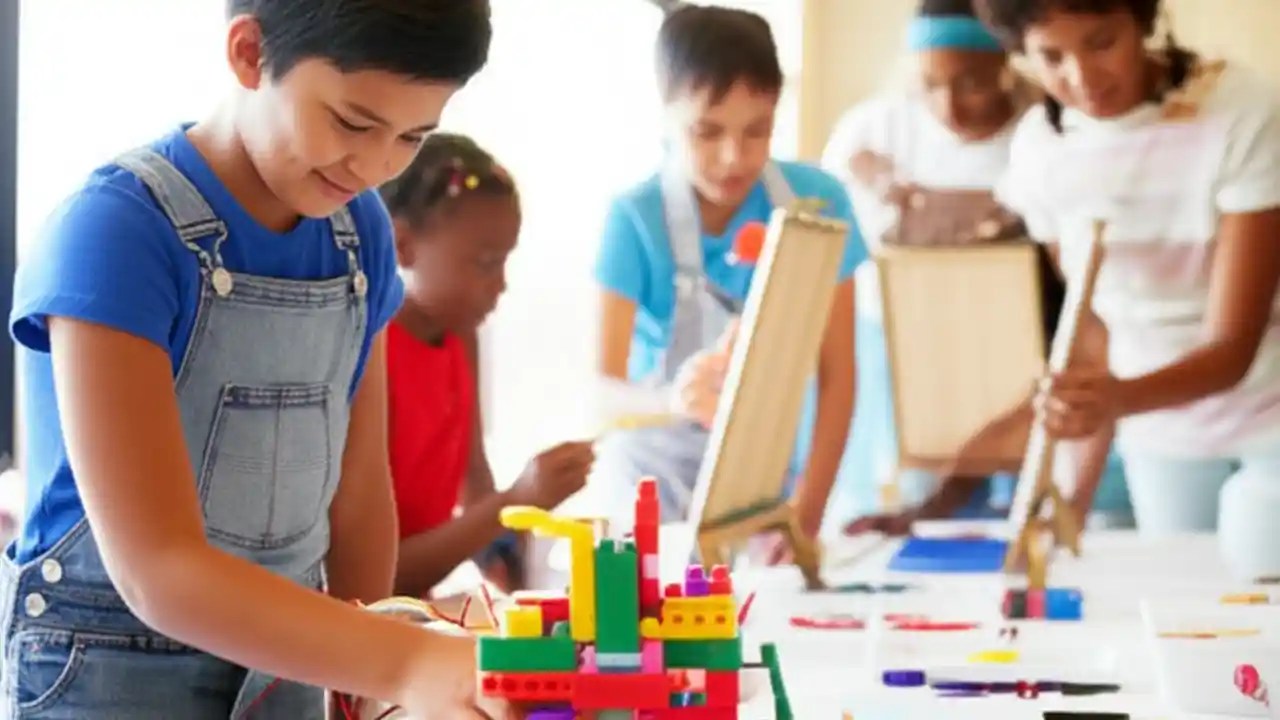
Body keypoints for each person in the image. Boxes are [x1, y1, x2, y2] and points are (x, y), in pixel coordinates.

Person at [2, 2, 509, 718]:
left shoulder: (358, 233)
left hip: (290, 678)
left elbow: (359, 492)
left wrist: (366, 685)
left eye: (412, 136)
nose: (374, 166)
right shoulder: (115, 232)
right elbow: (158, 572)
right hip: (107, 678)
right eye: (353, 124)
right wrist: (406, 660)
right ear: (248, 54)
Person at [825, 0, 1132, 535]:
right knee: (924, 491)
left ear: (1006, 65)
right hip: (906, 351)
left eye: (971, 83)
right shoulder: (874, 129)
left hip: (1024, 340)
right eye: (930, 86)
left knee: (1032, 486)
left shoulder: (1046, 129)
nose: (950, 107)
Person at [976, 0, 1280, 537]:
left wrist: (1115, 400)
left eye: (1101, 43)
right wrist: (1071, 503)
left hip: (1268, 414)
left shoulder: (1240, 109)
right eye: (1050, 56)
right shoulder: (1039, 152)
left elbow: (1234, 347)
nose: (1082, 77)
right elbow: (1090, 333)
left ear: (1142, 22)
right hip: (1158, 435)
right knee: (1182, 605)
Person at [593, 3, 866, 549]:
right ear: (667, 114)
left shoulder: (818, 204)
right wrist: (675, 399)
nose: (732, 156)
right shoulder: (635, 218)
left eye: (757, 131)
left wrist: (806, 516)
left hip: (761, 486)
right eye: (706, 131)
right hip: (650, 489)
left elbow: (838, 377)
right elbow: (602, 395)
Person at [378, 133, 594, 598]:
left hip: (421, 608)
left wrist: (506, 550)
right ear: (403, 245)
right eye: (485, 263)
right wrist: (516, 501)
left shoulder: (461, 333)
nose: (501, 285)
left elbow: (474, 481)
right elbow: (378, 577)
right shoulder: (371, 353)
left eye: (505, 261)